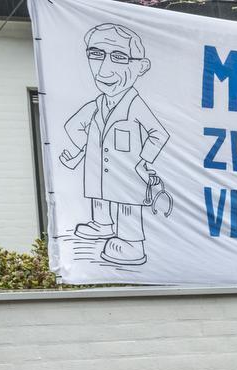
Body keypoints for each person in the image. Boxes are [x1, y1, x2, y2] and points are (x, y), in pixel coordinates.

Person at [60, 23, 170, 266]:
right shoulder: (98, 103)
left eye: (119, 57)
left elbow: (158, 134)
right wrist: (80, 153)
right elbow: (73, 125)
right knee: (98, 194)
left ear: (140, 67)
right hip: (99, 165)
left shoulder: (134, 104)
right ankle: (101, 224)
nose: (104, 68)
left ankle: (132, 243)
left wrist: (143, 162)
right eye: (96, 54)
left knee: (127, 205)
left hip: (127, 170)